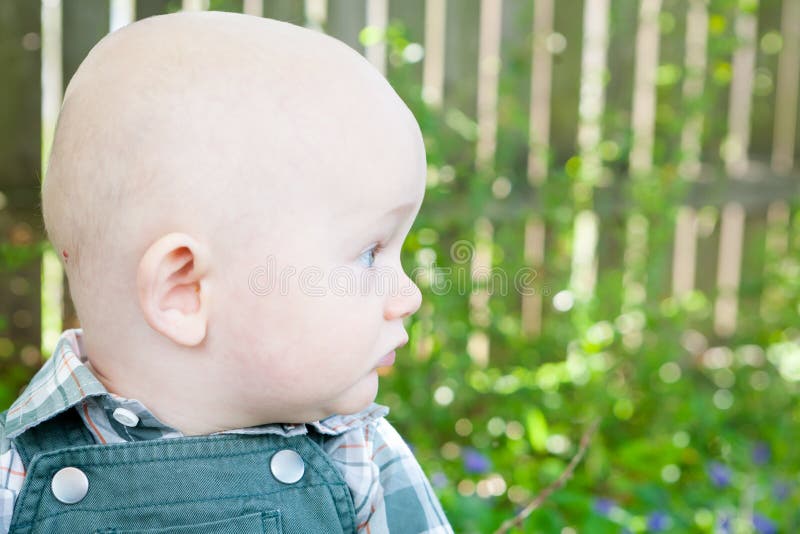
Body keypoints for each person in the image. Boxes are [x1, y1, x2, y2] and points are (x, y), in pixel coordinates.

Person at [0, 10, 452, 533]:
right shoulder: (15, 476)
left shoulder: (361, 457)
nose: (408, 295)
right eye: (369, 253)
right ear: (185, 291)